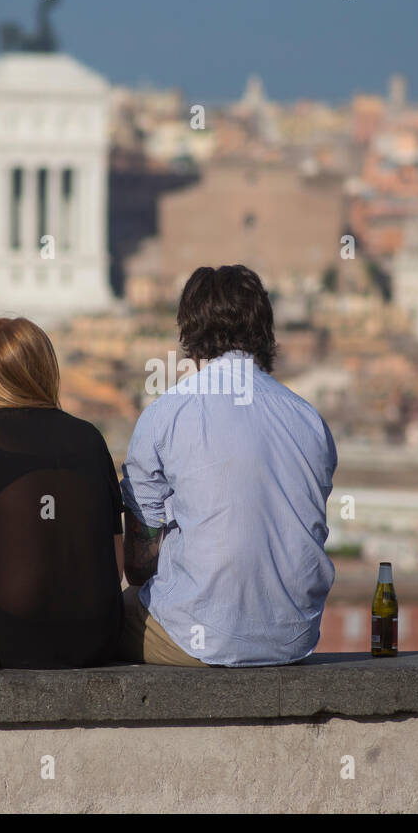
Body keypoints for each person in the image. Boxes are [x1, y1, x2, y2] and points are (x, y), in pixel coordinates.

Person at [118, 264, 337, 667]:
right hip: (295, 641)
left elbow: (138, 565)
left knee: (108, 616)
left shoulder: (167, 413)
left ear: (188, 333)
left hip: (197, 641)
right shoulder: (309, 419)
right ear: (265, 333)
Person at [0, 317, 125, 708]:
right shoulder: (90, 437)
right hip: (96, 642)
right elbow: (114, 563)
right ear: (46, 370)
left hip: (8, 643)